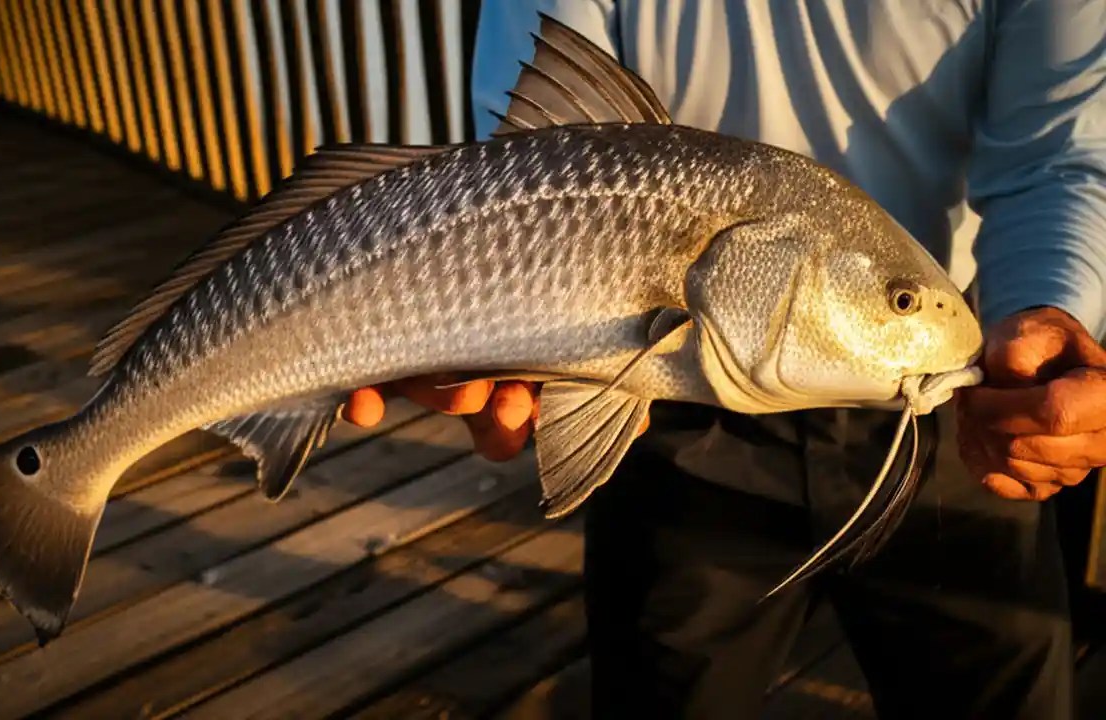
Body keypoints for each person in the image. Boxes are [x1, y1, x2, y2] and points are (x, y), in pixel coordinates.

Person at [343, 1, 1106, 717]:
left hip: (947, 398)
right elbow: (540, 163)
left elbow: (1060, 156)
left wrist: (1048, 310)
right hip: (663, 394)